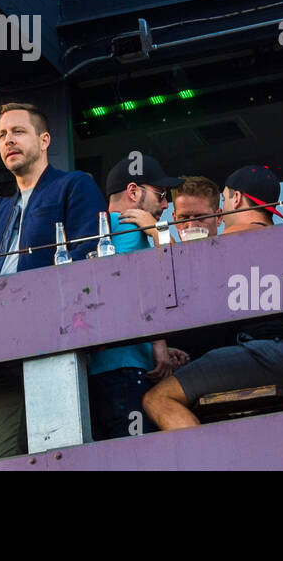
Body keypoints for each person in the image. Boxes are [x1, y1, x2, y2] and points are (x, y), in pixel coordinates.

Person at [0, 102, 105, 460]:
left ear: (44, 140)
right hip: (1, 349)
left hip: (55, 340)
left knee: (60, 454)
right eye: (1, 135)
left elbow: (88, 256)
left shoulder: (74, 185)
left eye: (18, 131)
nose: (8, 141)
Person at [142, 166, 283, 430]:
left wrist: (156, 232)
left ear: (233, 201)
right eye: (184, 218)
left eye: (224, 201)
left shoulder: (233, 240)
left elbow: (187, 269)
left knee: (157, 399)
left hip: (269, 355)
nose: (192, 225)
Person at [90, 155, 188, 440]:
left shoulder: (101, 228)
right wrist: (158, 341)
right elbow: (180, 268)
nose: (166, 204)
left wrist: (154, 349)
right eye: (161, 195)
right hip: (124, 373)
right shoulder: (128, 226)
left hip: (104, 371)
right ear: (133, 192)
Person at [172, 177, 222, 242]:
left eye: (200, 217)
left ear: (218, 217)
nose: (191, 226)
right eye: (184, 218)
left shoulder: (236, 250)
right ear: (174, 219)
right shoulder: (168, 251)